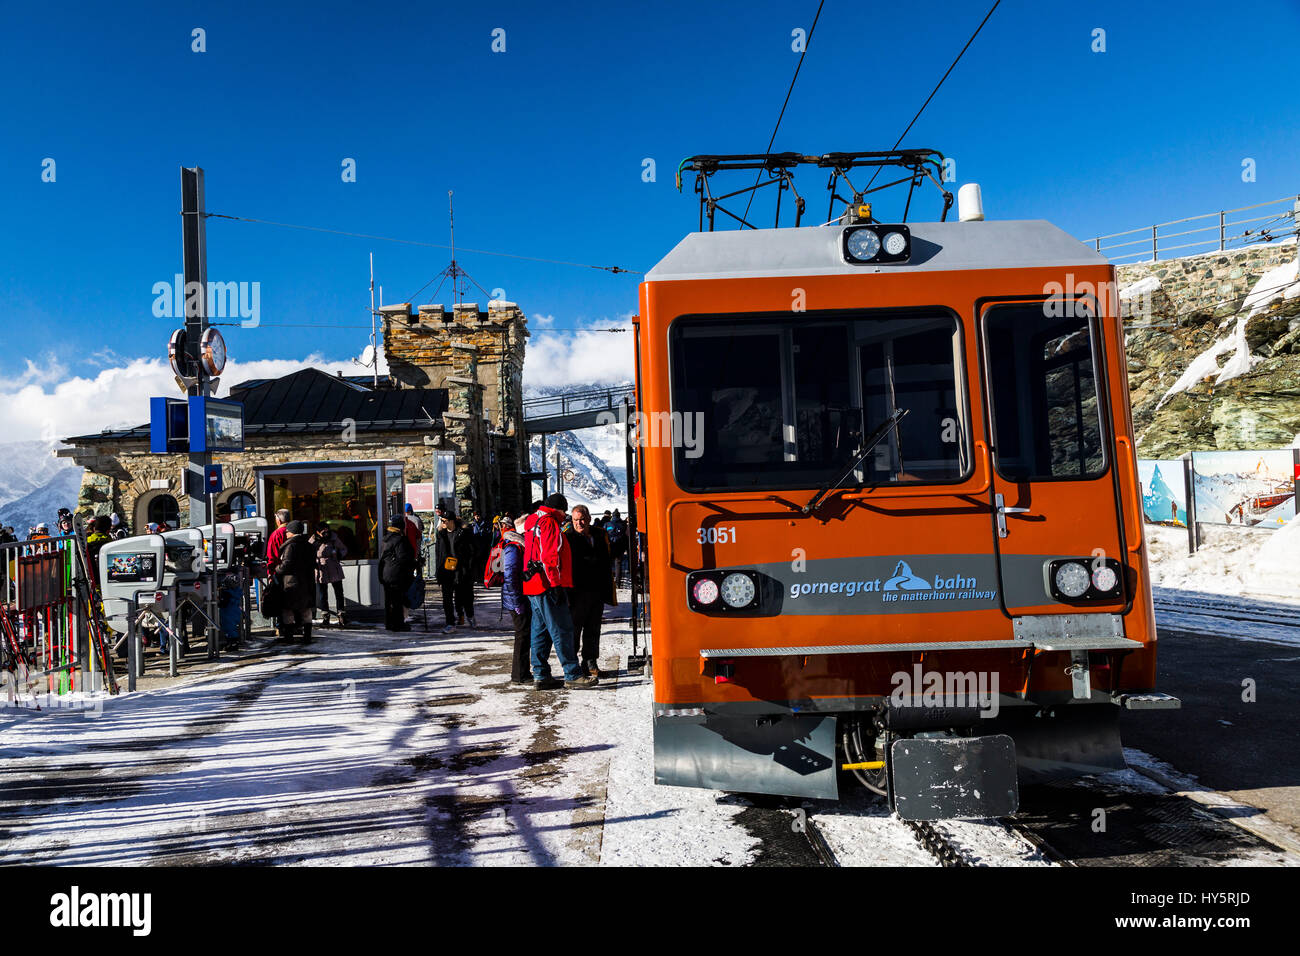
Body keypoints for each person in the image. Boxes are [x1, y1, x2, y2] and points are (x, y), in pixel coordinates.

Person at [522, 494, 597, 690]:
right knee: (562, 628)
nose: (564, 516)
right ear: (559, 509)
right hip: (547, 584)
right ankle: (572, 673)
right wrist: (555, 585)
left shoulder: (533, 521)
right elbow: (549, 556)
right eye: (564, 511)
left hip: (532, 584)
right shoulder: (549, 523)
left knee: (540, 631)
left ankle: (540, 674)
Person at [564, 505, 616, 678]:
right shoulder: (568, 537)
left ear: (589, 518)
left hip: (597, 590)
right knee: (574, 630)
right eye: (576, 520)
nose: (579, 523)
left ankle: (590, 663)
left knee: (593, 629)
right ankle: (572, 667)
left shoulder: (600, 534)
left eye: (582, 519)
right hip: (577, 592)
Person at [500, 515, 531, 683]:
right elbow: (510, 574)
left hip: (516, 595)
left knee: (524, 633)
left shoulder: (517, 545)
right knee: (522, 634)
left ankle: (522, 672)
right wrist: (517, 601)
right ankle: (519, 674)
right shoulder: (514, 546)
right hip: (515, 597)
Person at [276, 521, 317, 643]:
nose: (286, 533)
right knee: (306, 609)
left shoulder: (291, 546)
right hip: (307, 581)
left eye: (287, 531)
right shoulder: (309, 545)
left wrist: (277, 569)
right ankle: (307, 636)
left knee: (288, 609)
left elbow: (286, 565)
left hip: (291, 582)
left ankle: (289, 637)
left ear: (292, 532)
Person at [434, 514, 476, 629]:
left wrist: (468, 568)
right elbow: (438, 554)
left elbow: (472, 551)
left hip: (460, 570)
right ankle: (450, 622)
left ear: (451, 521)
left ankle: (469, 615)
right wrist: (438, 571)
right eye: (441, 520)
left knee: (463, 596)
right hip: (446, 570)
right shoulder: (441, 534)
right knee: (447, 599)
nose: (442, 522)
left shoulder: (463, 533)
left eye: (444, 520)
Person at [378, 516, 416, 632]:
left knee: (389, 601)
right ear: (401, 526)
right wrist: (414, 564)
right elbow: (404, 558)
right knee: (397, 601)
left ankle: (389, 623)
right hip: (397, 574)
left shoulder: (386, 538)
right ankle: (398, 624)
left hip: (386, 573)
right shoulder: (399, 539)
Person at [311, 522, 349, 627]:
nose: (326, 534)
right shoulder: (313, 541)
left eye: (327, 531)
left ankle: (341, 615)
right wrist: (312, 562)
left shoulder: (333, 538)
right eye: (323, 532)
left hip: (333, 567)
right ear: (318, 532)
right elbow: (307, 552)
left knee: (339, 592)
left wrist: (339, 555)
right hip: (320, 569)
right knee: (323, 594)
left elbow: (343, 548)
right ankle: (325, 616)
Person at [265, 508, 291, 575]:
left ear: (279, 521)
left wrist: (270, 573)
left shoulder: (276, 534)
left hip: (280, 571)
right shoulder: (294, 531)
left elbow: (272, 556)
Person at [607, 509, 629, 587]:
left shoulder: (608, 524)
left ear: (612, 516)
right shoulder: (623, 524)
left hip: (610, 545)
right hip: (620, 546)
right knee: (618, 564)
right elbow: (627, 535)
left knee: (608, 564)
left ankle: (609, 581)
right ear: (619, 516)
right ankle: (618, 583)